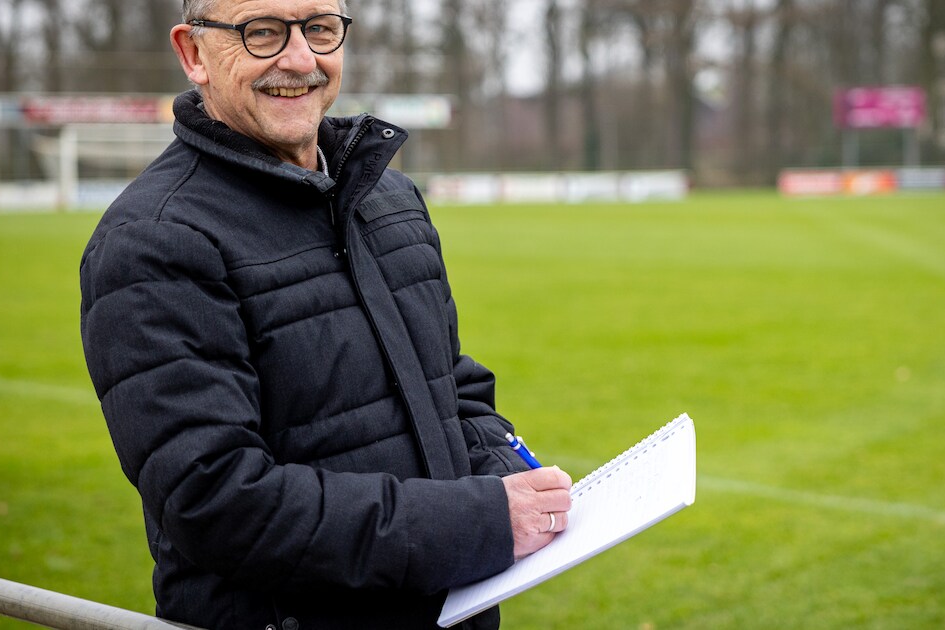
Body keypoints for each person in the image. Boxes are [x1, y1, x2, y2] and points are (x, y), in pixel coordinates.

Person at [78, 1, 573, 628]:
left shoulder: (389, 199)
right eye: (261, 32)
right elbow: (218, 500)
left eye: (319, 28)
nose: (300, 59)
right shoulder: (153, 241)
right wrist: (480, 522)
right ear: (194, 54)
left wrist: (517, 482)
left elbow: (452, 388)